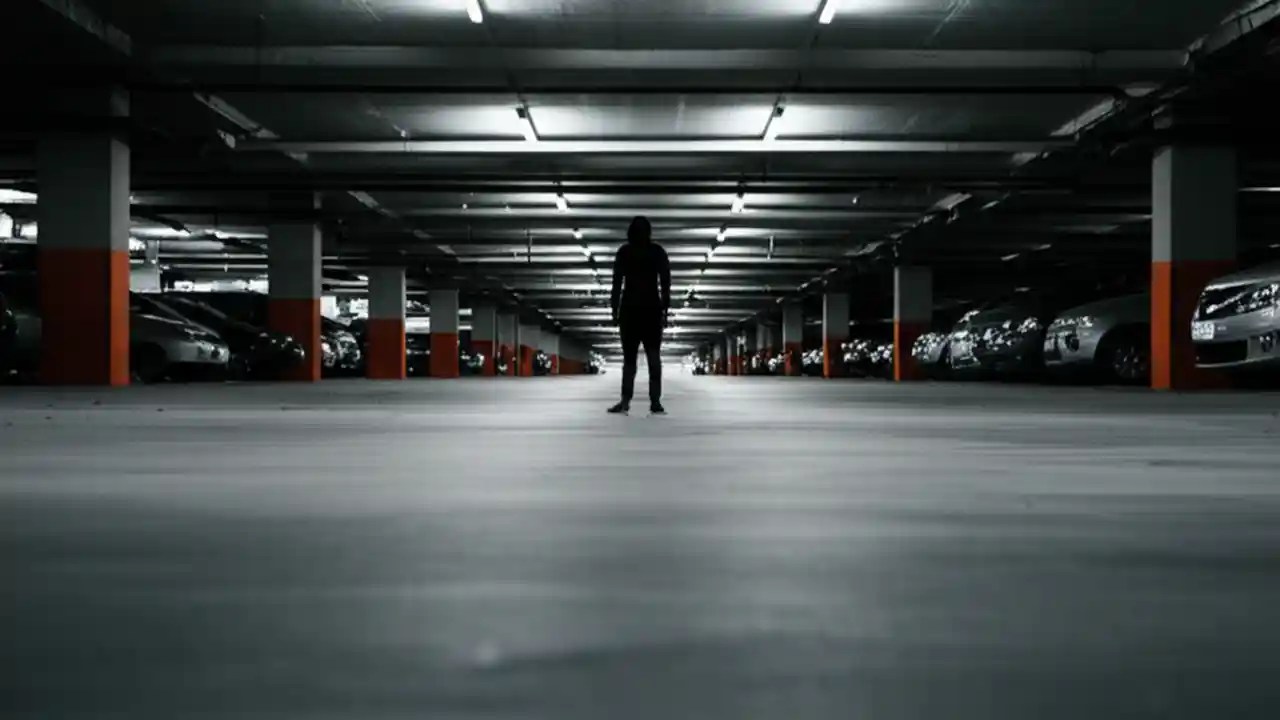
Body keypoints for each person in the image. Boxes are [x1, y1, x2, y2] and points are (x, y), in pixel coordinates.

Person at [608, 216, 670, 415]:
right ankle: (655, 402)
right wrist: (665, 309)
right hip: (652, 310)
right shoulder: (657, 252)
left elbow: (617, 284)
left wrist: (614, 310)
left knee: (629, 360)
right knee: (654, 358)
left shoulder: (624, 252)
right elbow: (666, 283)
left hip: (630, 311)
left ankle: (625, 401)